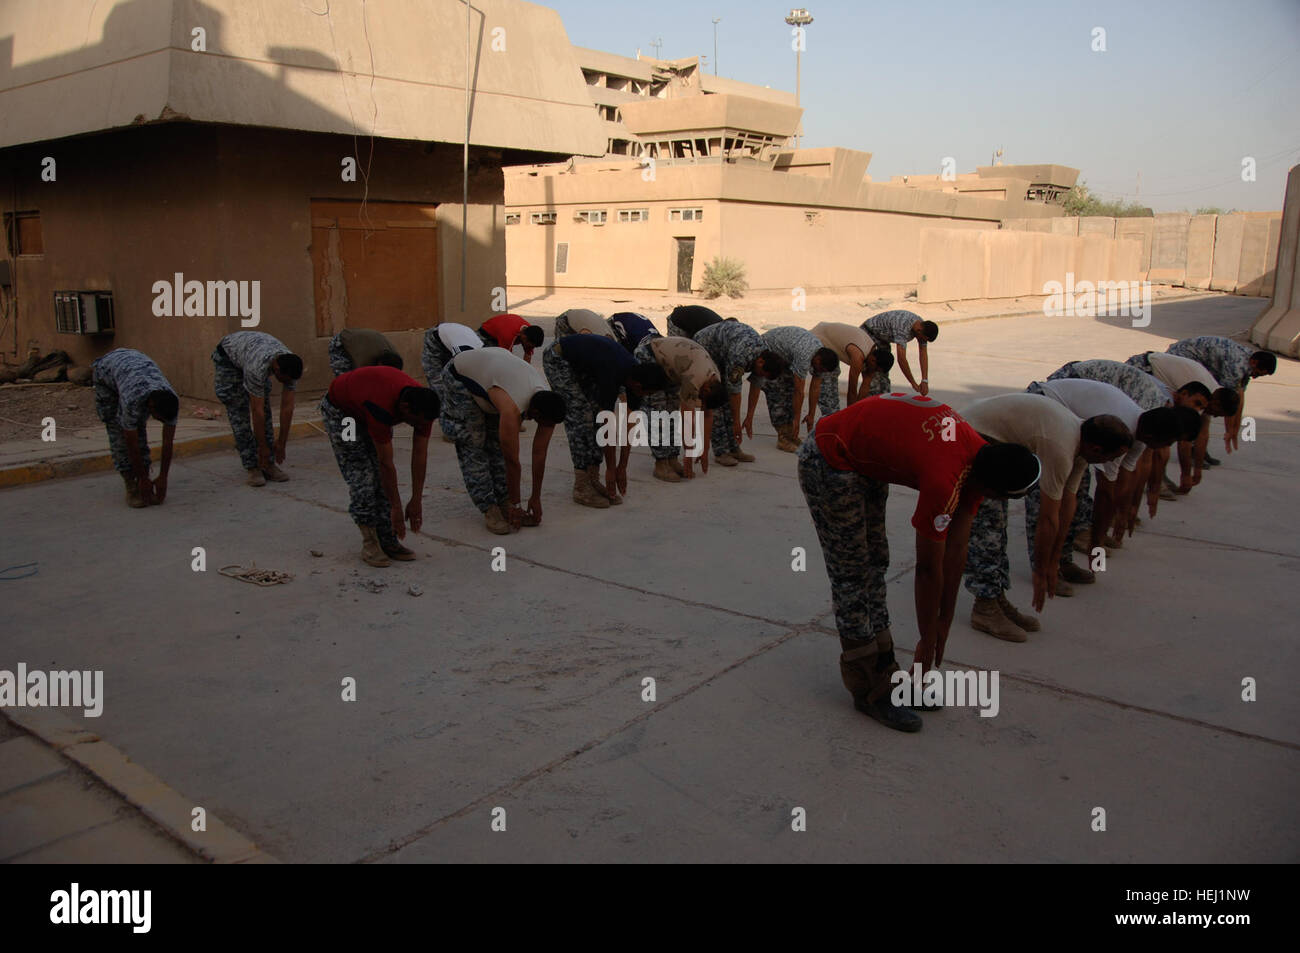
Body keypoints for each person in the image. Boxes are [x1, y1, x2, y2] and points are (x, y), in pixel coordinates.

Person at [798, 393, 1041, 731]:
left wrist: (941, 627)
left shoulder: (977, 462)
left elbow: (955, 556)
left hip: (862, 463)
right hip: (830, 457)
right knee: (853, 573)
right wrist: (927, 640)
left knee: (875, 564)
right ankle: (868, 686)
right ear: (997, 490)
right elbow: (928, 570)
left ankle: (886, 670)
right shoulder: (947, 477)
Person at [961, 393, 1131, 640]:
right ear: (1097, 449)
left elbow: (1066, 506)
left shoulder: (1082, 444)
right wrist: (1041, 571)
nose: (1110, 463)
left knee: (998, 529)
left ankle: (996, 598)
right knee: (988, 530)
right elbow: (1048, 517)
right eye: (1111, 457)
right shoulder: (1062, 447)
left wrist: (1056, 561)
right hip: (971, 438)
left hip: (997, 443)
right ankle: (985, 607)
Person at [320, 366, 439, 566]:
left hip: (366, 404)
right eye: (416, 423)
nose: (420, 427)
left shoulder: (423, 408)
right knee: (363, 476)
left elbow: (420, 455)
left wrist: (416, 500)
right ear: (405, 409)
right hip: (343, 412)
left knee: (380, 477)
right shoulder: (381, 405)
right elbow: (386, 464)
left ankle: (387, 538)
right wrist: (397, 509)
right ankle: (370, 542)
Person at [441, 347, 565, 534]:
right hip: (460, 375)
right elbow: (512, 462)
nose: (542, 427)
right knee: (474, 443)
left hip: (495, 377)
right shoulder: (511, 408)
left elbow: (539, 454)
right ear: (535, 413)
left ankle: (504, 503)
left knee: (496, 446)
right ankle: (489, 508)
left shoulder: (547, 401)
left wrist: (535, 497)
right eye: (541, 423)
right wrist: (516, 503)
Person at [543, 334, 668, 506]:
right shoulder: (612, 374)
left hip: (587, 364)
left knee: (594, 414)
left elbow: (630, 424)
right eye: (646, 394)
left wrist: (622, 466)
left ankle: (592, 477)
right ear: (638, 387)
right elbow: (606, 423)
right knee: (581, 419)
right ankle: (581, 485)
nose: (645, 397)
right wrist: (610, 468)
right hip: (559, 358)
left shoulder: (637, 377)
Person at [1127, 350, 1241, 491]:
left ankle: (1155, 478)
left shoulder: (1210, 395)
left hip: (1159, 376)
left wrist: (1197, 471)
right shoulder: (1199, 395)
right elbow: (1183, 439)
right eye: (1218, 414)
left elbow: (1202, 433)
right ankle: (1153, 480)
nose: (1216, 416)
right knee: (1156, 433)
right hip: (1142, 367)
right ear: (1216, 403)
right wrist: (1186, 475)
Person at [91, 348, 180, 508]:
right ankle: (132, 483)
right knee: (118, 430)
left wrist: (163, 477)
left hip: (134, 366)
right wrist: (143, 479)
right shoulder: (133, 399)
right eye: (158, 418)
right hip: (106, 372)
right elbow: (130, 443)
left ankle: (143, 477)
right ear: (151, 407)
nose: (160, 421)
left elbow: (168, 442)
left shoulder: (171, 399)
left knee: (139, 426)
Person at [212, 331, 303, 486]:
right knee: (239, 413)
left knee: (266, 411)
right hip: (228, 358)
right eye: (283, 380)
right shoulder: (257, 368)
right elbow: (256, 411)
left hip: (251, 352)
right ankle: (253, 466)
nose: (285, 383)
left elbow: (287, 407)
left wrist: (282, 442)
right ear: (276, 368)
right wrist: (262, 447)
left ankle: (268, 464)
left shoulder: (289, 365)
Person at [632, 335, 728, 481]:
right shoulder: (695, 379)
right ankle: (661, 463)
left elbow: (707, 415)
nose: (699, 401)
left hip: (673, 368)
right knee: (657, 412)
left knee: (672, 413)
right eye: (701, 399)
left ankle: (672, 458)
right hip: (651, 357)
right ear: (706, 389)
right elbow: (687, 420)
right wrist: (689, 455)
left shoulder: (715, 381)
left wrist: (705, 451)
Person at [693, 320, 788, 465]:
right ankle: (721, 452)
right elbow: (734, 393)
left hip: (724, 351)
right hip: (705, 349)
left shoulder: (764, 355)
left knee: (728, 405)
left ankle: (734, 449)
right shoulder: (740, 357)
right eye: (762, 373)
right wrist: (737, 422)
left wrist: (749, 418)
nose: (761, 376)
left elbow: (756, 386)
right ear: (760, 362)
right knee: (718, 401)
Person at [1165, 336, 1276, 460]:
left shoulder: (1248, 362)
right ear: (1254, 362)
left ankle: (1198, 449)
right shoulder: (1237, 365)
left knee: (1205, 412)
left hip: (1198, 361)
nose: (1255, 377)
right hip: (1181, 356)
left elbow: (1238, 398)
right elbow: (1226, 400)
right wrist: (1228, 431)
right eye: (1257, 373)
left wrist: (1234, 430)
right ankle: (1191, 448)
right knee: (1197, 408)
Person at [745, 326, 839, 452]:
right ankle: (784, 438)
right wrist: (796, 420)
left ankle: (791, 435)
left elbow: (815, 387)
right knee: (778, 392)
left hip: (785, 355)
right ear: (817, 360)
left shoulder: (819, 356)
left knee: (789, 388)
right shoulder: (805, 355)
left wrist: (811, 415)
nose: (819, 372)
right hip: (768, 349)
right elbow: (799, 391)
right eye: (820, 369)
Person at [810, 321, 894, 402]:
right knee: (825, 378)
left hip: (832, 339)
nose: (874, 372)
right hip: (819, 335)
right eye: (875, 369)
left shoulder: (872, 354)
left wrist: (858, 408)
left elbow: (866, 385)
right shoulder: (858, 356)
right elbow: (852, 390)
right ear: (873, 361)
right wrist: (852, 413)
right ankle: (813, 414)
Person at [860, 310, 939, 396]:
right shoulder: (903, 328)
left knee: (883, 372)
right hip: (867, 333)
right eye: (923, 339)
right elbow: (901, 359)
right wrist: (913, 383)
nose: (923, 342)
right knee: (871, 374)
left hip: (882, 339)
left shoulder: (922, 326)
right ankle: (867, 402)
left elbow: (923, 352)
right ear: (919, 331)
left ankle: (883, 399)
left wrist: (925, 380)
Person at [421, 322, 484, 400]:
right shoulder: (463, 354)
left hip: (453, 335)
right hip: (435, 338)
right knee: (436, 381)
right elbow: (450, 373)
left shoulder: (481, 352)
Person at [327, 328, 403, 375]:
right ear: (379, 363)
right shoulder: (364, 361)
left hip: (362, 338)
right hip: (341, 341)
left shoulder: (395, 357)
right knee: (344, 378)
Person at [478, 313, 545, 362]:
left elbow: (527, 356)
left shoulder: (531, 332)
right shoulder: (509, 335)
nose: (530, 348)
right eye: (530, 346)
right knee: (488, 361)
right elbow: (506, 358)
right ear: (524, 337)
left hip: (502, 334)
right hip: (486, 335)